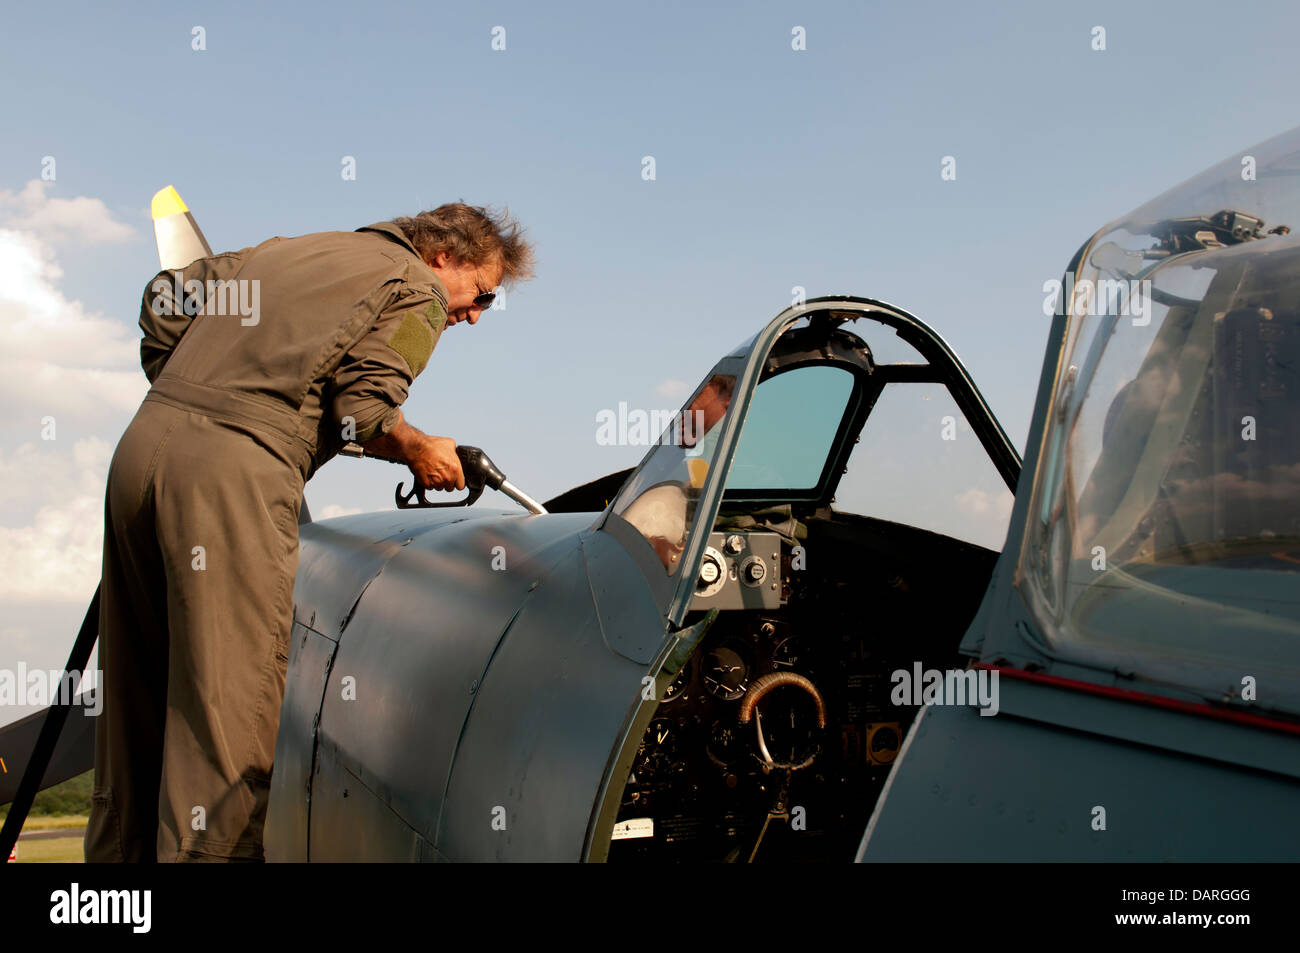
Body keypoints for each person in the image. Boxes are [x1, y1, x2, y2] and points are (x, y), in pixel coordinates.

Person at [84, 203, 534, 861]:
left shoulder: (286, 251)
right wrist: (417, 447)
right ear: (446, 257)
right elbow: (367, 408)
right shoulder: (414, 286)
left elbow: (167, 298)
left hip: (142, 454)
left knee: (134, 707)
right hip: (231, 480)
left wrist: (201, 391)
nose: (472, 313)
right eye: (483, 296)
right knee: (228, 718)